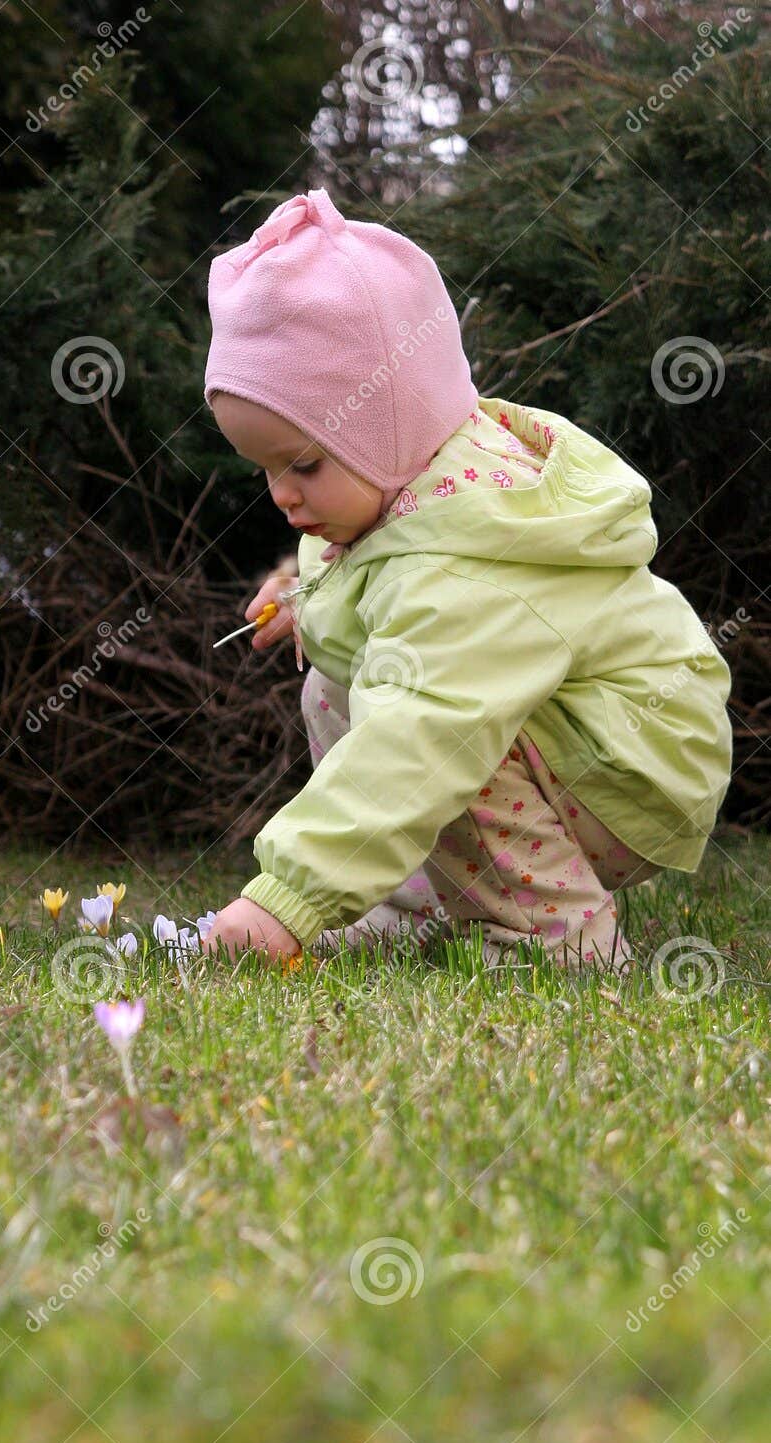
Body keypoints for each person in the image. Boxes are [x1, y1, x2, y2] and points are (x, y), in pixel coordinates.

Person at [199, 188, 732, 971]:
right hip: (576, 732)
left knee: (441, 741)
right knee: (339, 682)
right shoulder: (416, 480)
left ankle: (564, 943)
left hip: (634, 765)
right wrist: (309, 591)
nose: (281, 493)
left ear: (390, 428)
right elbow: (377, 563)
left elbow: (425, 733)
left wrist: (286, 899)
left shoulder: (469, 561)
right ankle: (416, 904)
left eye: (303, 464)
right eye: (267, 470)